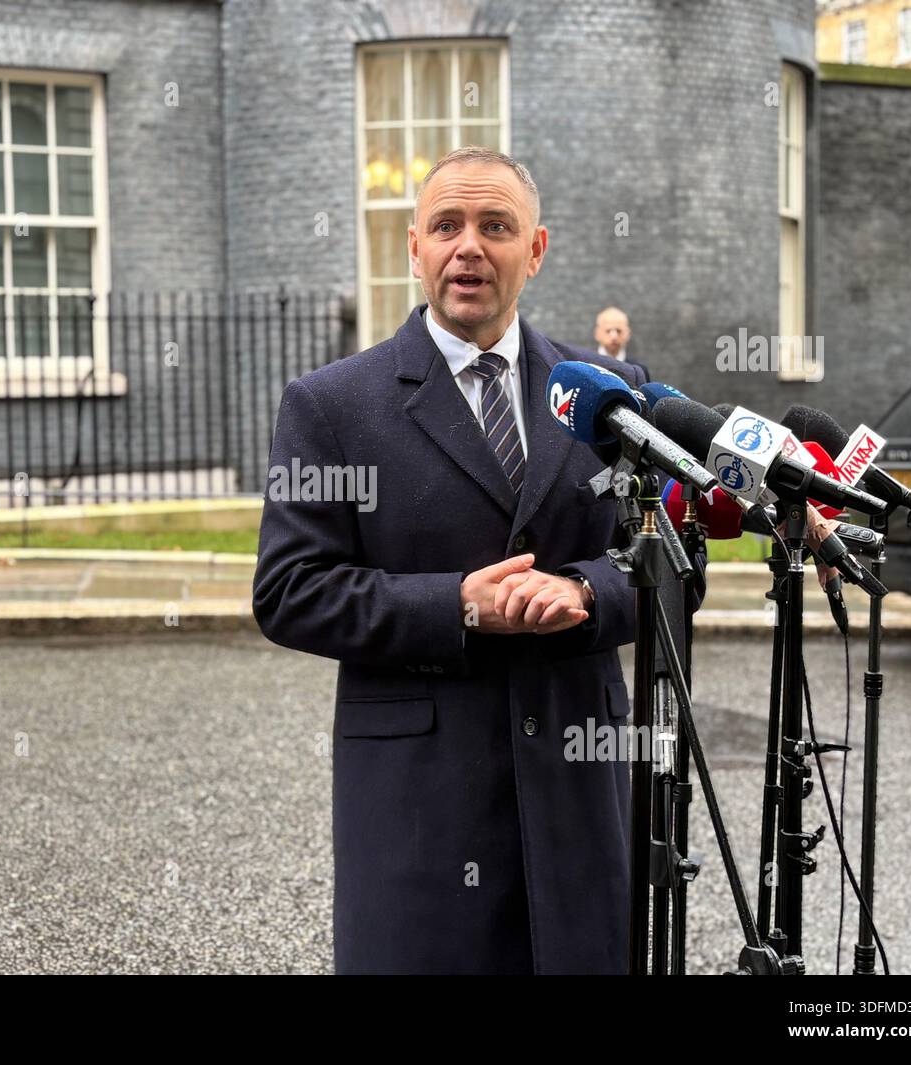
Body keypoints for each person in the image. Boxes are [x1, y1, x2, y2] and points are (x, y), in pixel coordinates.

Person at [252, 147, 646, 974]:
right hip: (421, 811)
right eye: (447, 226)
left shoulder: (610, 394)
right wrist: (460, 605)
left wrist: (583, 587)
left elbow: (663, 566)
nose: (469, 246)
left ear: (535, 249)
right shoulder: (331, 405)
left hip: (579, 799)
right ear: (415, 246)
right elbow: (289, 591)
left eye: (495, 226)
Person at [594, 306, 649, 380]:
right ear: (597, 334)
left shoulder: (639, 372)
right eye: (608, 331)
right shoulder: (586, 366)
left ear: (628, 334)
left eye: (619, 331)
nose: (614, 336)